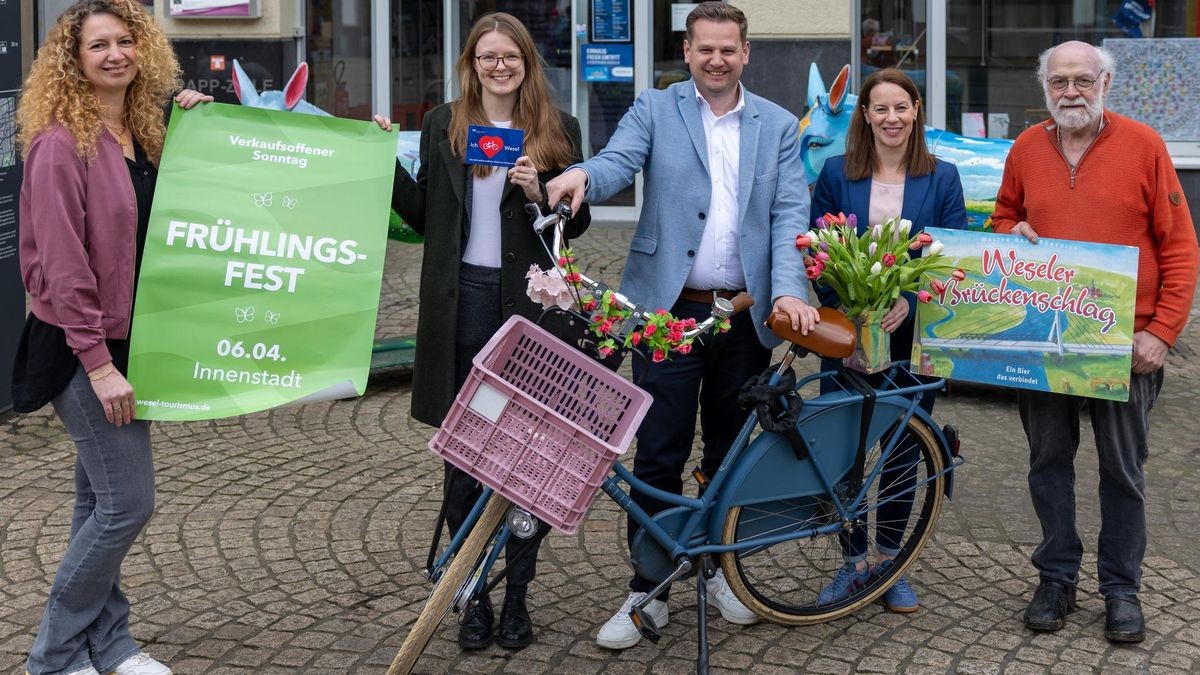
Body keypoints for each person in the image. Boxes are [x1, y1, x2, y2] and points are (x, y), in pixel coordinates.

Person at [546, 1, 818, 650]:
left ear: (746, 53)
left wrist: (788, 293)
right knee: (660, 450)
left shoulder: (778, 126)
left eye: (729, 48)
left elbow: (789, 218)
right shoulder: (655, 109)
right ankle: (649, 589)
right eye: (705, 48)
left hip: (744, 315)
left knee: (730, 454)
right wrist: (584, 174)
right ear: (687, 51)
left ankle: (720, 570)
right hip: (667, 310)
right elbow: (617, 160)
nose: (717, 59)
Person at [13, 2, 212, 674]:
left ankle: (110, 645)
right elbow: (65, 268)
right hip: (79, 347)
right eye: (98, 45)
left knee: (97, 498)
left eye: (126, 41)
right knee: (129, 501)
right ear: (74, 59)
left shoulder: (147, 133)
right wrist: (97, 364)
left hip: (133, 339)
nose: (115, 54)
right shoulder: (58, 144)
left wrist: (195, 119)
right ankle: (54, 654)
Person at [384, 12, 591, 652]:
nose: (498, 66)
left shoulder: (560, 131)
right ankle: (471, 598)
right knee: (464, 457)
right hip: (461, 305)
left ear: (527, 62)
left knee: (524, 459)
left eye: (510, 57)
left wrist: (536, 194)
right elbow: (421, 214)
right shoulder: (442, 124)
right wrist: (380, 159)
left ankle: (518, 601)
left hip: (528, 308)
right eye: (486, 57)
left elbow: (574, 231)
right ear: (470, 62)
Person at [992, 40, 1198, 644]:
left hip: (1126, 344)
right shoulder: (1028, 148)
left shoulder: (1145, 146)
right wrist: (1011, 229)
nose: (1071, 91)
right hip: (1045, 340)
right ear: (1045, 88)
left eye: (1084, 79)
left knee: (1122, 472)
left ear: (1106, 83)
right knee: (1047, 463)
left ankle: (1120, 589)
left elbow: (1181, 246)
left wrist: (1161, 332)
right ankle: (1056, 577)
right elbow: (1003, 217)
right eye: (1059, 82)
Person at [808, 67, 966, 613]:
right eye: (881, 108)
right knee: (847, 452)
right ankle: (852, 565)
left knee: (901, 451)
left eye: (901, 107)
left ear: (916, 111)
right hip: (849, 339)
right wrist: (850, 311)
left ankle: (888, 563)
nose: (891, 118)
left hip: (911, 341)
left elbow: (949, 258)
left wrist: (910, 300)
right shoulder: (836, 173)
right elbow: (818, 253)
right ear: (866, 116)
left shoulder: (942, 178)